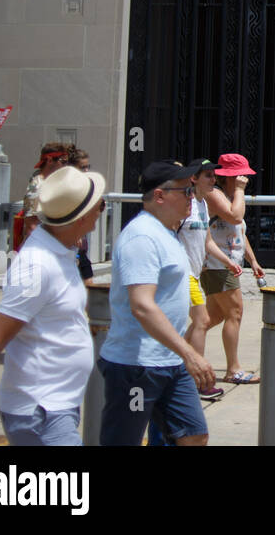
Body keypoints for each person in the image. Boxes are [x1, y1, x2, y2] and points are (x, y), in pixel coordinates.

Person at [0, 166, 104, 446]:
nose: (102, 210)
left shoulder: (59, 251)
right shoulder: (37, 266)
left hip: (55, 406)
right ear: (82, 216)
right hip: (40, 411)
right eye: (99, 205)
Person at [98, 160, 215, 446]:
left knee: (194, 436)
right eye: (185, 192)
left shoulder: (167, 232)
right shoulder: (141, 237)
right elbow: (142, 306)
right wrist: (189, 353)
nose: (192, 197)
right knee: (124, 440)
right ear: (160, 196)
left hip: (171, 363)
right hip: (137, 367)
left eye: (191, 191)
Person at [201, 152, 265, 384]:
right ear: (228, 176)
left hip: (227, 264)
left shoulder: (231, 196)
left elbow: (239, 233)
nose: (245, 179)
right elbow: (236, 217)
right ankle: (233, 369)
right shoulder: (215, 195)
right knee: (234, 313)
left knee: (212, 317)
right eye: (240, 175)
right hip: (217, 265)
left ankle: (181, 356)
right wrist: (239, 191)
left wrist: (253, 261)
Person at [183, 159, 237, 401]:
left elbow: (207, 242)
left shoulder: (203, 205)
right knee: (202, 319)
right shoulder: (184, 204)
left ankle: (182, 371)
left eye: (214, 175)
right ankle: (198, 382)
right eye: (207, 175)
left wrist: (228, 261)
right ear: (193, 178)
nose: (213, 180)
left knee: (196, 322)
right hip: (181, 274)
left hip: (194, 273)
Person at [14, 142, 71, 251]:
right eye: (63, 162)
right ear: (49, 160)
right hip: (41, 249)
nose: (65, 166)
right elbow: (32, 225)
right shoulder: (37, 185)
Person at [67, 147, 94, 280]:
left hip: (80, 246)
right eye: (82, 167)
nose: (86, 171)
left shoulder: (85, 186)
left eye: (87, 167)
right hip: (68, 246)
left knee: (89, 283)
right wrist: (75, 233)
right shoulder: (66, 187)